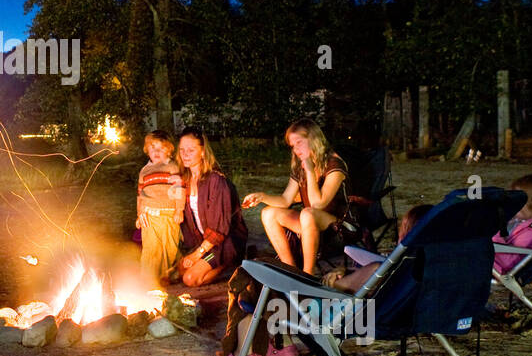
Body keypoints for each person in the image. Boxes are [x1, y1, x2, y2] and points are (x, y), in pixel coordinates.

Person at [242, 117, 349, 277]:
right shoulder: (301, 167)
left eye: (299, 142)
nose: (295, 149)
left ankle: (308, 274)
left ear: (313, 139)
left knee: (307, 213)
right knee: (268, 213)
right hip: (311, 224)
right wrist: (261, 196)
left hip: (339, 227)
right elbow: (286, 200)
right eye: (292, 146)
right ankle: (290, 269)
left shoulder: (335, 165)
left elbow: (317, 204)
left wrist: (311, 172)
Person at [176, 127, 248, 288]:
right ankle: (212, 262)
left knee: (190, 279)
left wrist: (197, 255)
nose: (185, 154)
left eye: (191, 150)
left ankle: (230, 263)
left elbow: (219, 230)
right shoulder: (185, 180)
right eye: (182, 150)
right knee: (181, 269)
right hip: (204, 244)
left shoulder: (216, 181)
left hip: (222, 244)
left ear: (202, 152)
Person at [321, 203, 433, 293]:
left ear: (407, 234)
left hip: (366, 313)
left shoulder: (381, 271)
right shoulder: (429, 267)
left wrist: (334, 281)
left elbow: (332, 286)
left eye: (402, 227)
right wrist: (346, 272)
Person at [136, 130, 185, 284]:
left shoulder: (172, 167)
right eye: (152, 148)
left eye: (161, 148)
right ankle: (149, 277)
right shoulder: (144, 171)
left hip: (169, 214)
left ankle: (168, 274)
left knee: (169, 246)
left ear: (169, 150)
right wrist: (139, 215)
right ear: (147, 151)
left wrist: (179, 210)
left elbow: (179, 190)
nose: (156, 152)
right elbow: (140, 196)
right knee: (151, 248)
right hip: (150, 215)